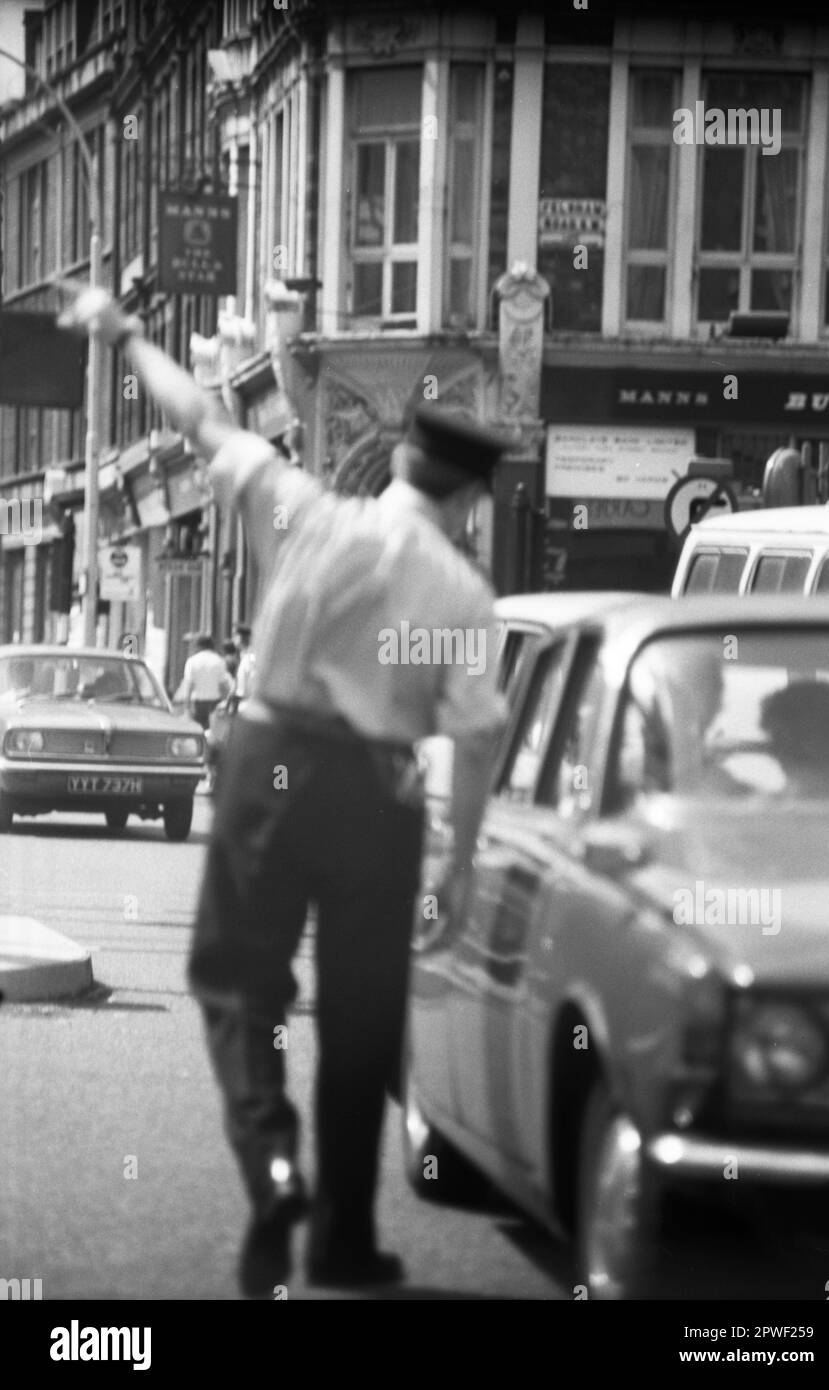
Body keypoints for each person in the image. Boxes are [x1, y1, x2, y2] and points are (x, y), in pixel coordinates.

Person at [59, 285, 509, 1298]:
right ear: (470, 499)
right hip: (379, 795)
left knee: (237, 983)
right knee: (361, 1014)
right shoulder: (464, 593)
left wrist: (125, 333)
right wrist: (465, 861)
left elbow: (199, 413)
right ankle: (344, 1240)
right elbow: (479, 737)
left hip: (269, 763)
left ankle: (270, 1161)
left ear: (396, 468)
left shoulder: (301, 505)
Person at [174, 634, 232, 732]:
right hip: (214, 703)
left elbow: (189, 686)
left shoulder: (192, 661)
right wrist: (226, 703)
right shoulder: (219, 661)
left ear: (199, 646)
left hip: (198, 704)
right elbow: (223, 686)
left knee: (198, 731)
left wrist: (187, 708)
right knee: (213, 732)